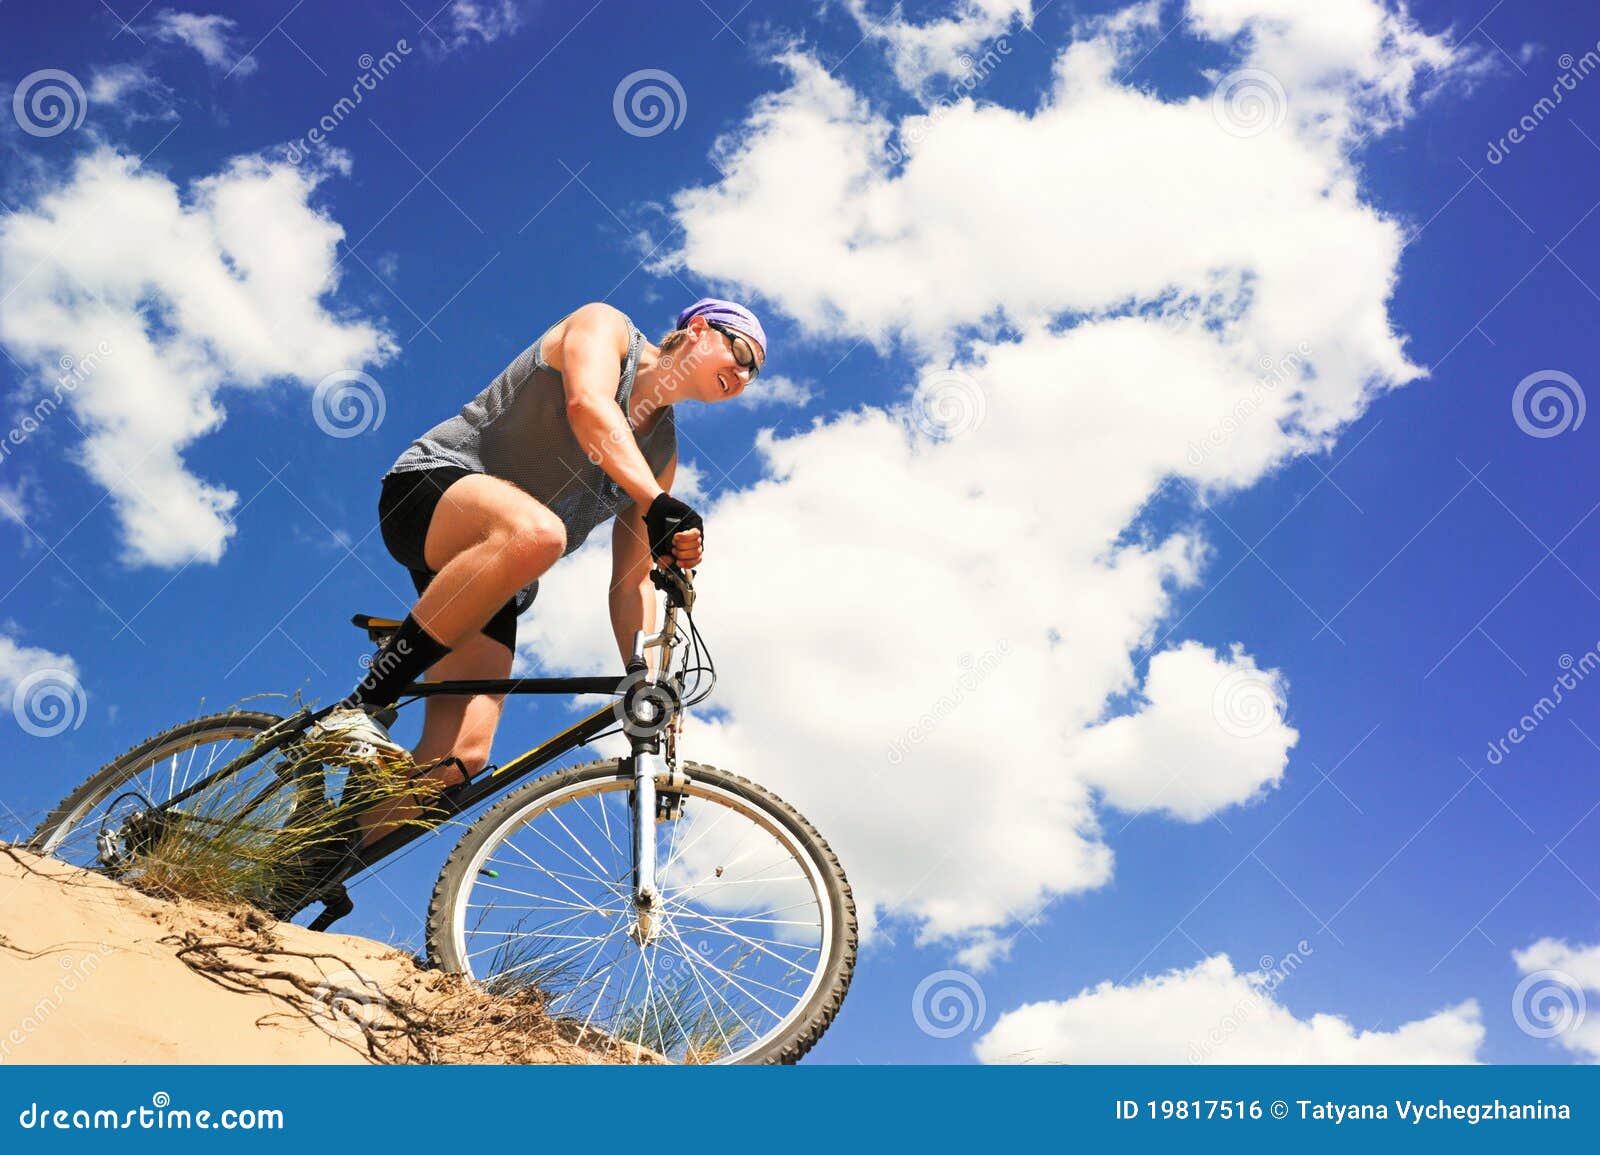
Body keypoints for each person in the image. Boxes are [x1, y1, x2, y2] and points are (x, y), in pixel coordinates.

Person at [283, 297, 765, 902]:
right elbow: (589, 408)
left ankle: (295, 869)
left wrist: (644, 676)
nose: (745, 377)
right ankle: (363, 705)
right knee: (537, 533)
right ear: (697, 330)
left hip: (499, 568)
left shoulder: (661, 455)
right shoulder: (607, 327)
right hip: (431, 491)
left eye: (755, 374)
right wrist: (655, 502)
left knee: (461, 758)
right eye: (742, 354)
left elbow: (630, 581)